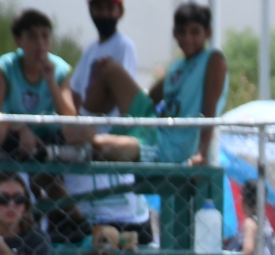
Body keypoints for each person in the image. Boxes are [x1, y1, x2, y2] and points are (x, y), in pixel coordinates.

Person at [85, 2, 228, 166]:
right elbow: (150, 98)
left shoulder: (213, 59)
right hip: (155, 126)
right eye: (182, 32)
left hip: (169, 146)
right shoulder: (177, 67)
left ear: (208, 33)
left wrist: (202, 154)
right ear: (174, 33)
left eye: (195, 32)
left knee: (99, 145)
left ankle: (75, 141)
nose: (188, 38)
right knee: (109, 66)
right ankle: (78, 122)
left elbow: (210, 112)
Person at [66, 0, 154, 245]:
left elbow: (112, 94)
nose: (104, 14)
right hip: (87, 135)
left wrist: (88, 117)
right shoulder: (90, 50)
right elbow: (75, 93)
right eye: (99, 7)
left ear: (119, 11)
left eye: (109, 8)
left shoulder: (123, 45)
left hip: (110, 135)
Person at [0, 10, 82, 160]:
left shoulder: (60, 68)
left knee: (87, 129)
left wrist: (51, 81)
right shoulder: (6, 65)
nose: (40, 43)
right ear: (18, 40)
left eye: (45, 36)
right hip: (13, 134)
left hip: (49, 135)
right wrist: (20, 128)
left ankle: (43, 152)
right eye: (32, 36)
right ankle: (19, 150)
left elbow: (69, 115)